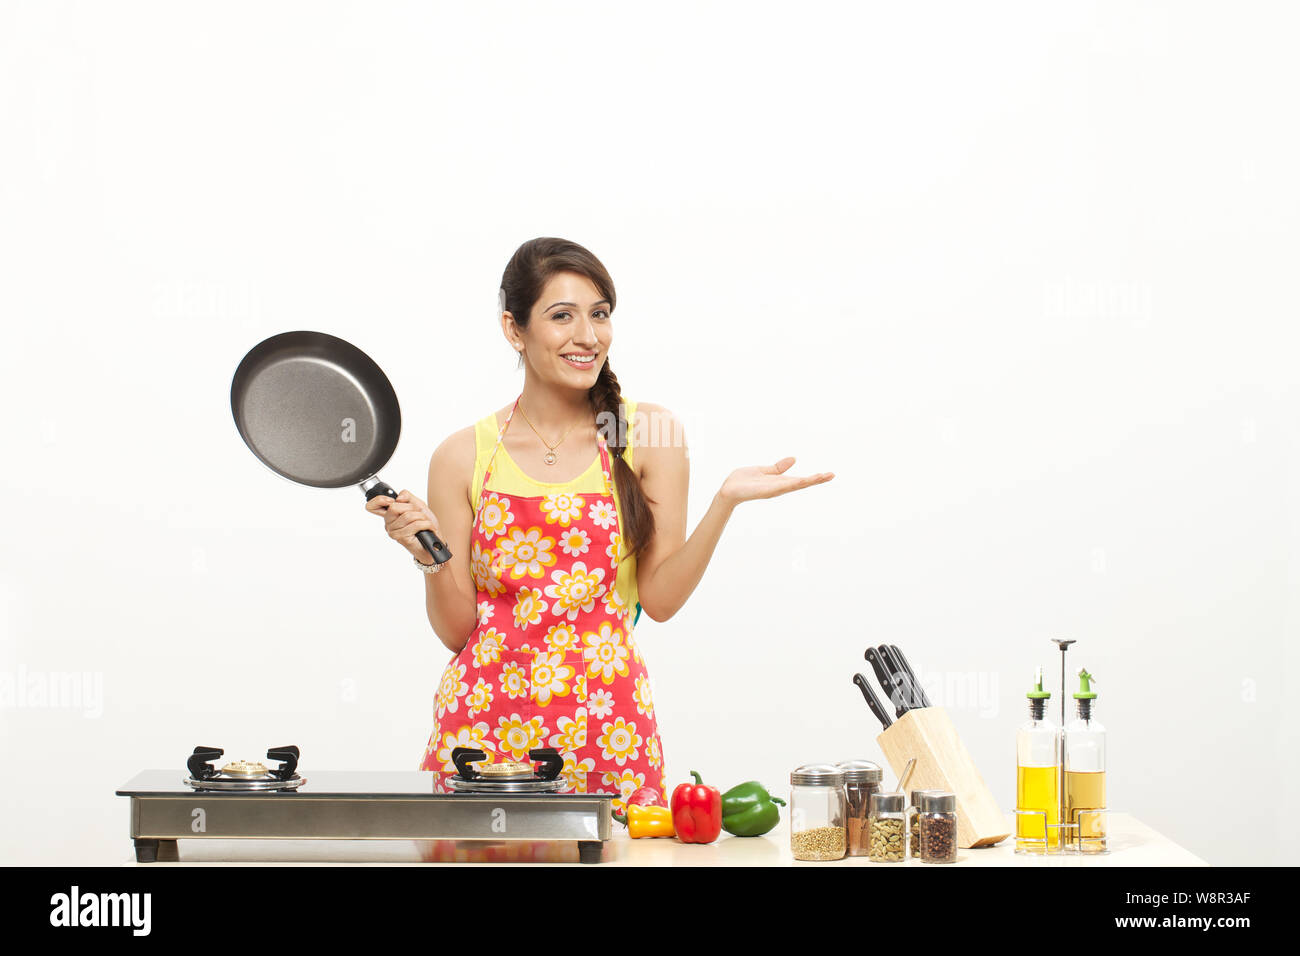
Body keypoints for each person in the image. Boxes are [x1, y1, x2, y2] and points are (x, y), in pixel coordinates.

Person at [366, 237, 834, 808]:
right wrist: (428, 555)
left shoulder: (649, 433)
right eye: (561, 316)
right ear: (514, 329)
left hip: (607, 724)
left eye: (600, 314)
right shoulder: (463, 454)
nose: (587, 336)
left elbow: (660, 600)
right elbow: (458, 631)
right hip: (484, 730)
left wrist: (724, 503)